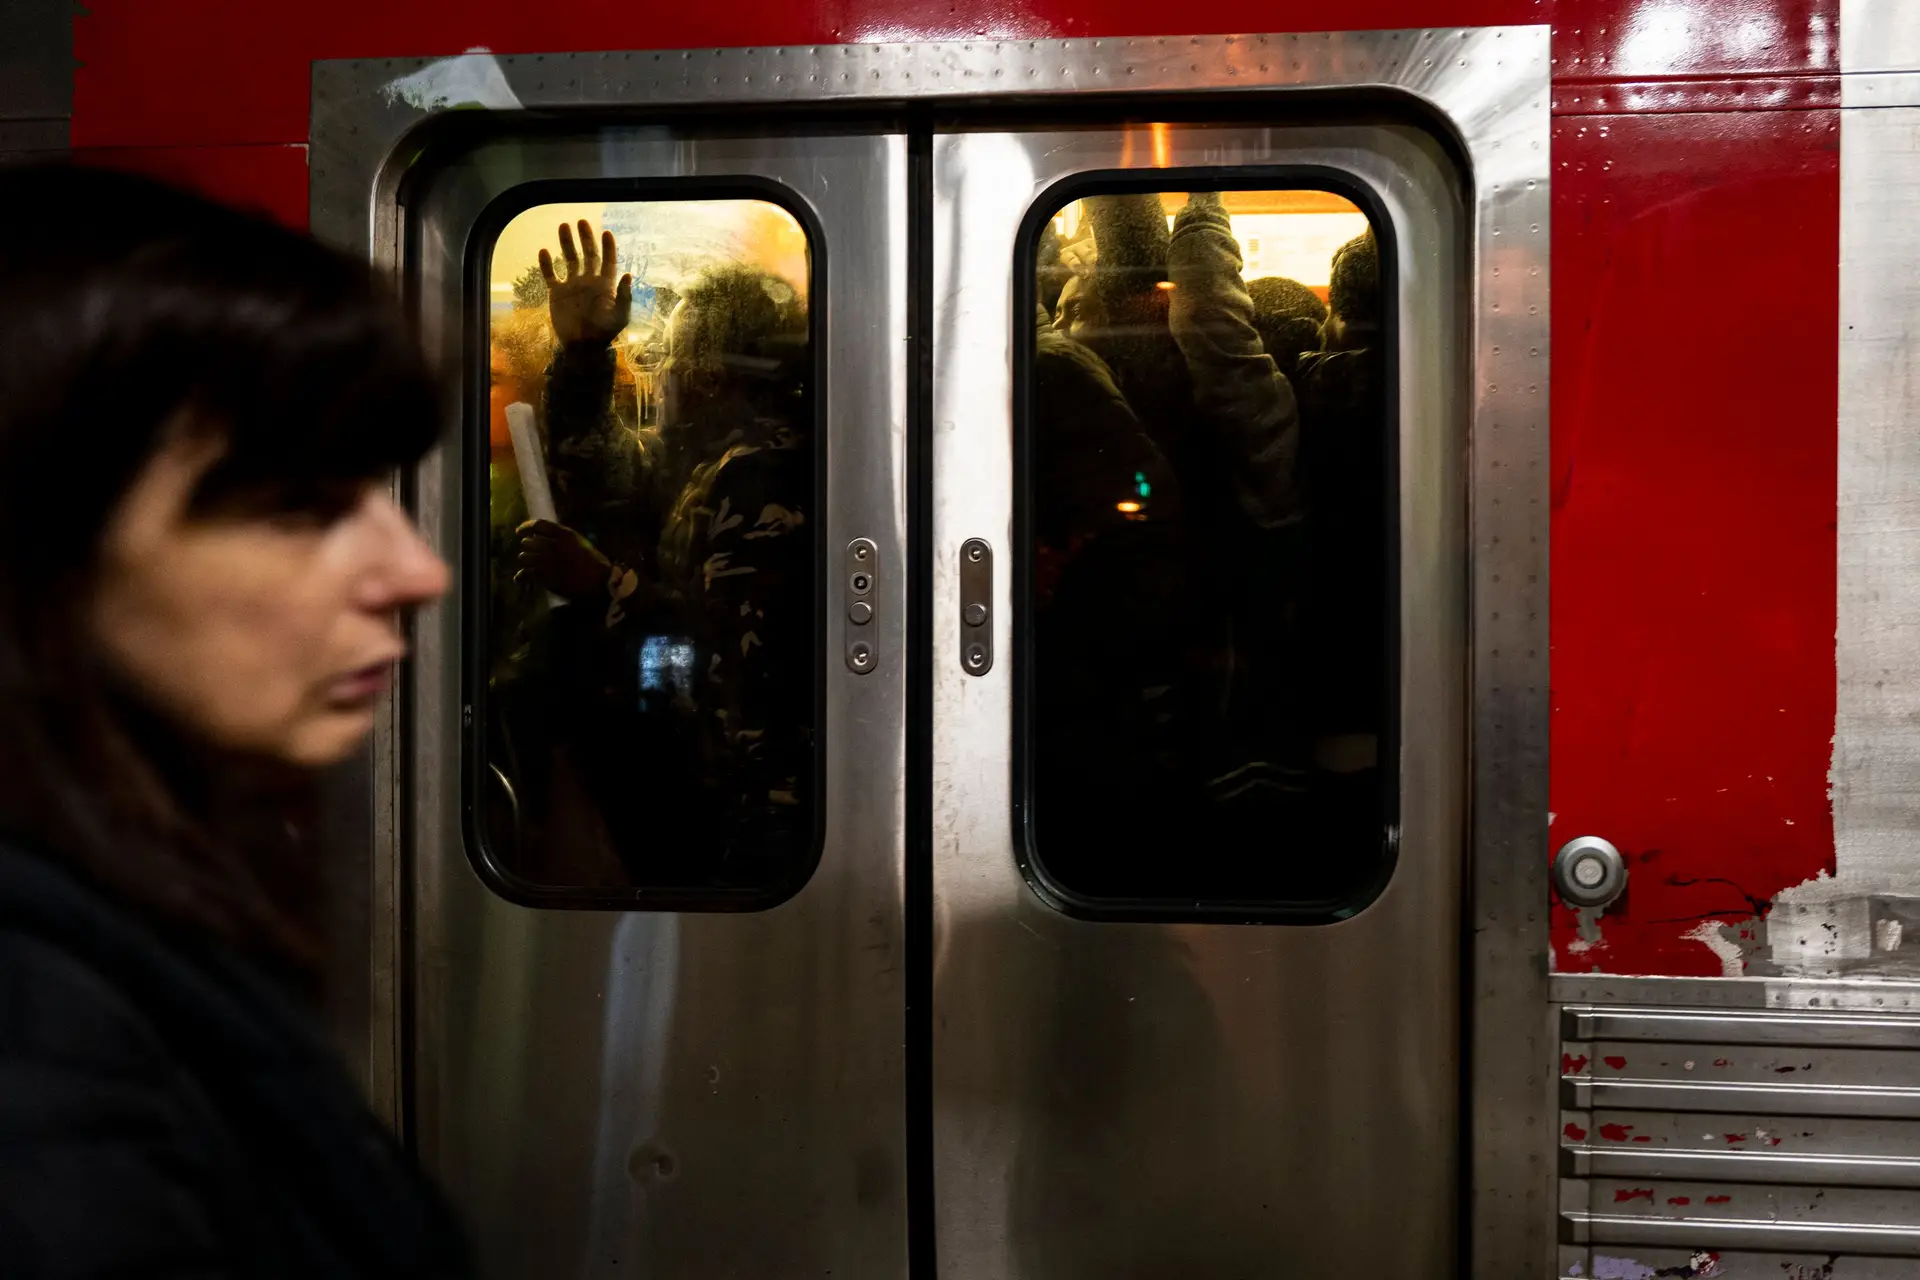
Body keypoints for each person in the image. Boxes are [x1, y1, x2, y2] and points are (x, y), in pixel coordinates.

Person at [0, 164, 464, 1277]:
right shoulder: (35, 1047)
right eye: (299, 509)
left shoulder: (138, 886)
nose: (417, 570)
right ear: (38, 549)